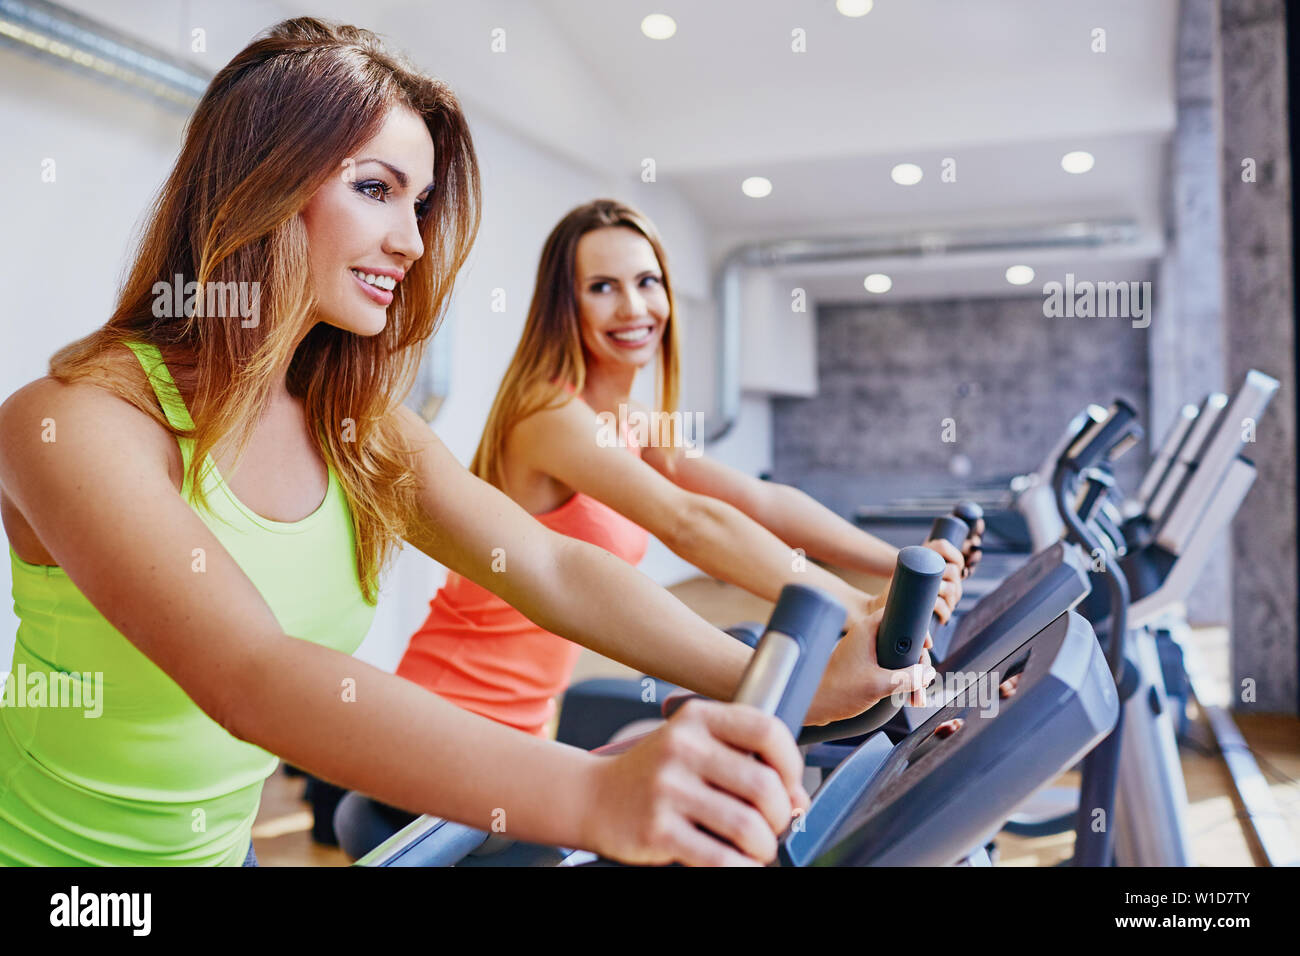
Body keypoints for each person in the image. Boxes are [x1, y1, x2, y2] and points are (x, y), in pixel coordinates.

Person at [0, 19, 923, 869]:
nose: (409, 240)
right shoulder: (73, 424)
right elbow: (251, 675)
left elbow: (548, 569)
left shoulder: (356, 429)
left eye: (421, 202)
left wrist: (781, 671)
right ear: (261, 186)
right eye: (375, 190)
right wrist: (596, 792)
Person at [331, 199, 980, 856]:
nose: (633, 307)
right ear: (566, 306)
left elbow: (759, 501)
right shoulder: (550, 415)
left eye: (647, 282)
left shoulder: (635, 419)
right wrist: (854, 606)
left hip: (522, 729)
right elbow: (690, 523)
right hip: (447, 722)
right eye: (602, 287)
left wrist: (894, 562)